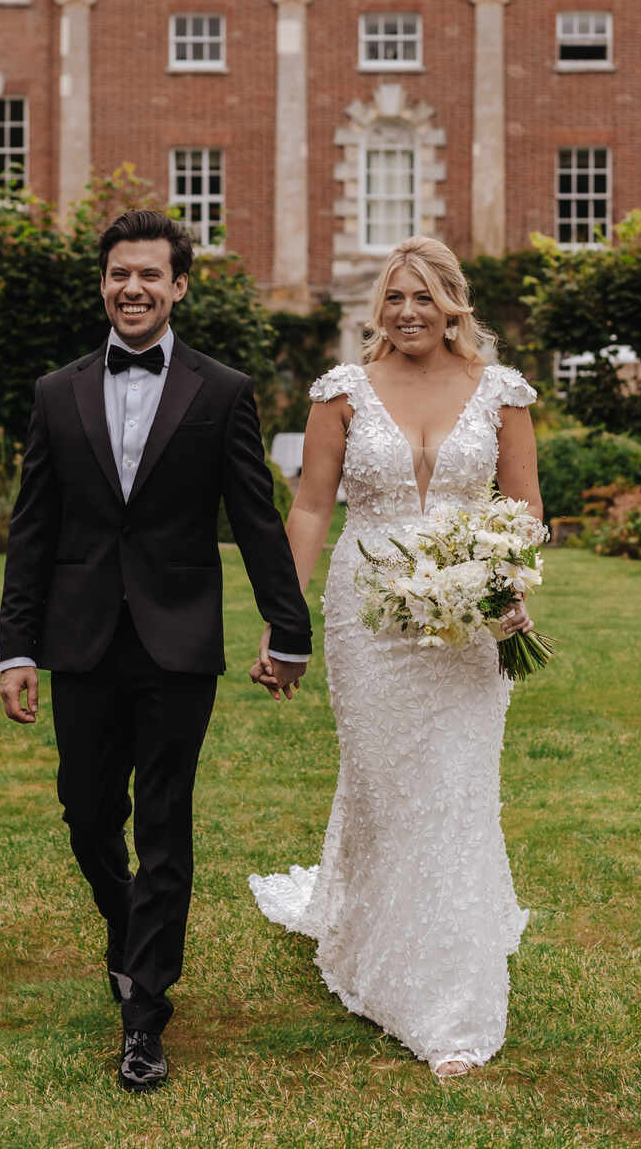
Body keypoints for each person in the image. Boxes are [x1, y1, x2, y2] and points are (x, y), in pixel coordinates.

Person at [0, 209, 312, 1094]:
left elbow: (255, 518)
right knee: (87, 814)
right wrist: (16, 646)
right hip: (80, 639)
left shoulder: (222, 392)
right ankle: (129, 924)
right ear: (103, 283)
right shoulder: (56, 392)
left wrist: (289, 628)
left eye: (149, 275)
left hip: (179, 642)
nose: (130, 288)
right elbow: (32, 532)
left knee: (165, 823)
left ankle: (144, 1015)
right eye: (117, 274)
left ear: (179, 285)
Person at [247, 235, 542, 1079]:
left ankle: (450, 998)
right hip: (366, 617)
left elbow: (524, 510)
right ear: (380, 308)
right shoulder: (342, 393)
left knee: (453, 786)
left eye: (424, 297)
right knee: (384, 781)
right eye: (394, 298)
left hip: (468, 621)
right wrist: (283, 615)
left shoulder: (502, 394)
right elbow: (308, 510)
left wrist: (508, 585)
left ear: (454, 304)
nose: (408, 312)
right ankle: (373, 939)